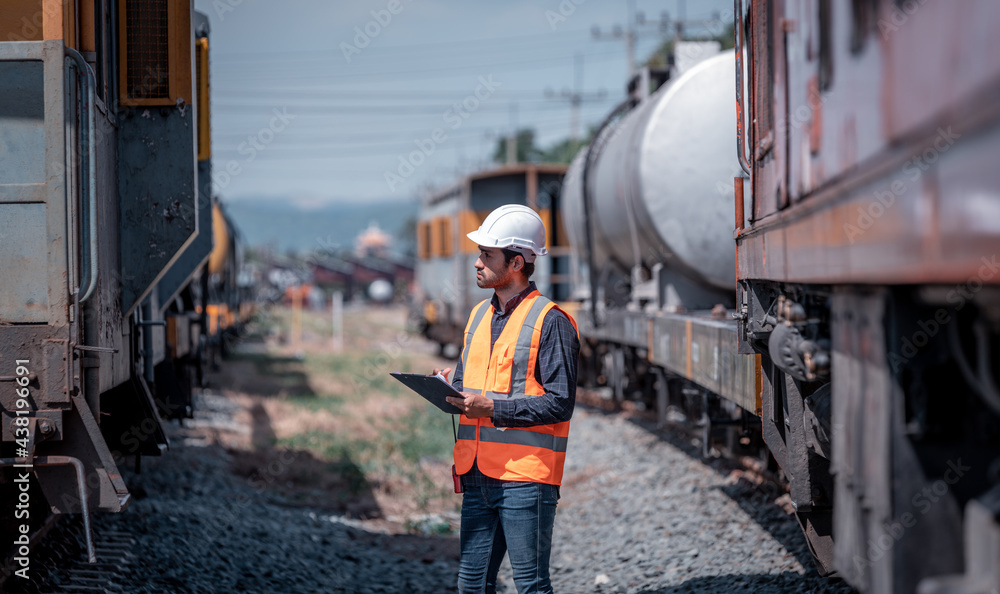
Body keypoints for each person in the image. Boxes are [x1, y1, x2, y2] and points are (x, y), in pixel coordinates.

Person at [434, 204, 580, 594]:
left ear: (516, 262)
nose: (477, 263)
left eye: (487, 255)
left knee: (530, 586)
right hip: (477, 474)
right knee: (472, 585)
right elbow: (469, 384)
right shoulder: (479, 316)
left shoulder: (551, 321)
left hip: (525, 479)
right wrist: (445, 387)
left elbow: (560, 403)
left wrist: (494, 408)